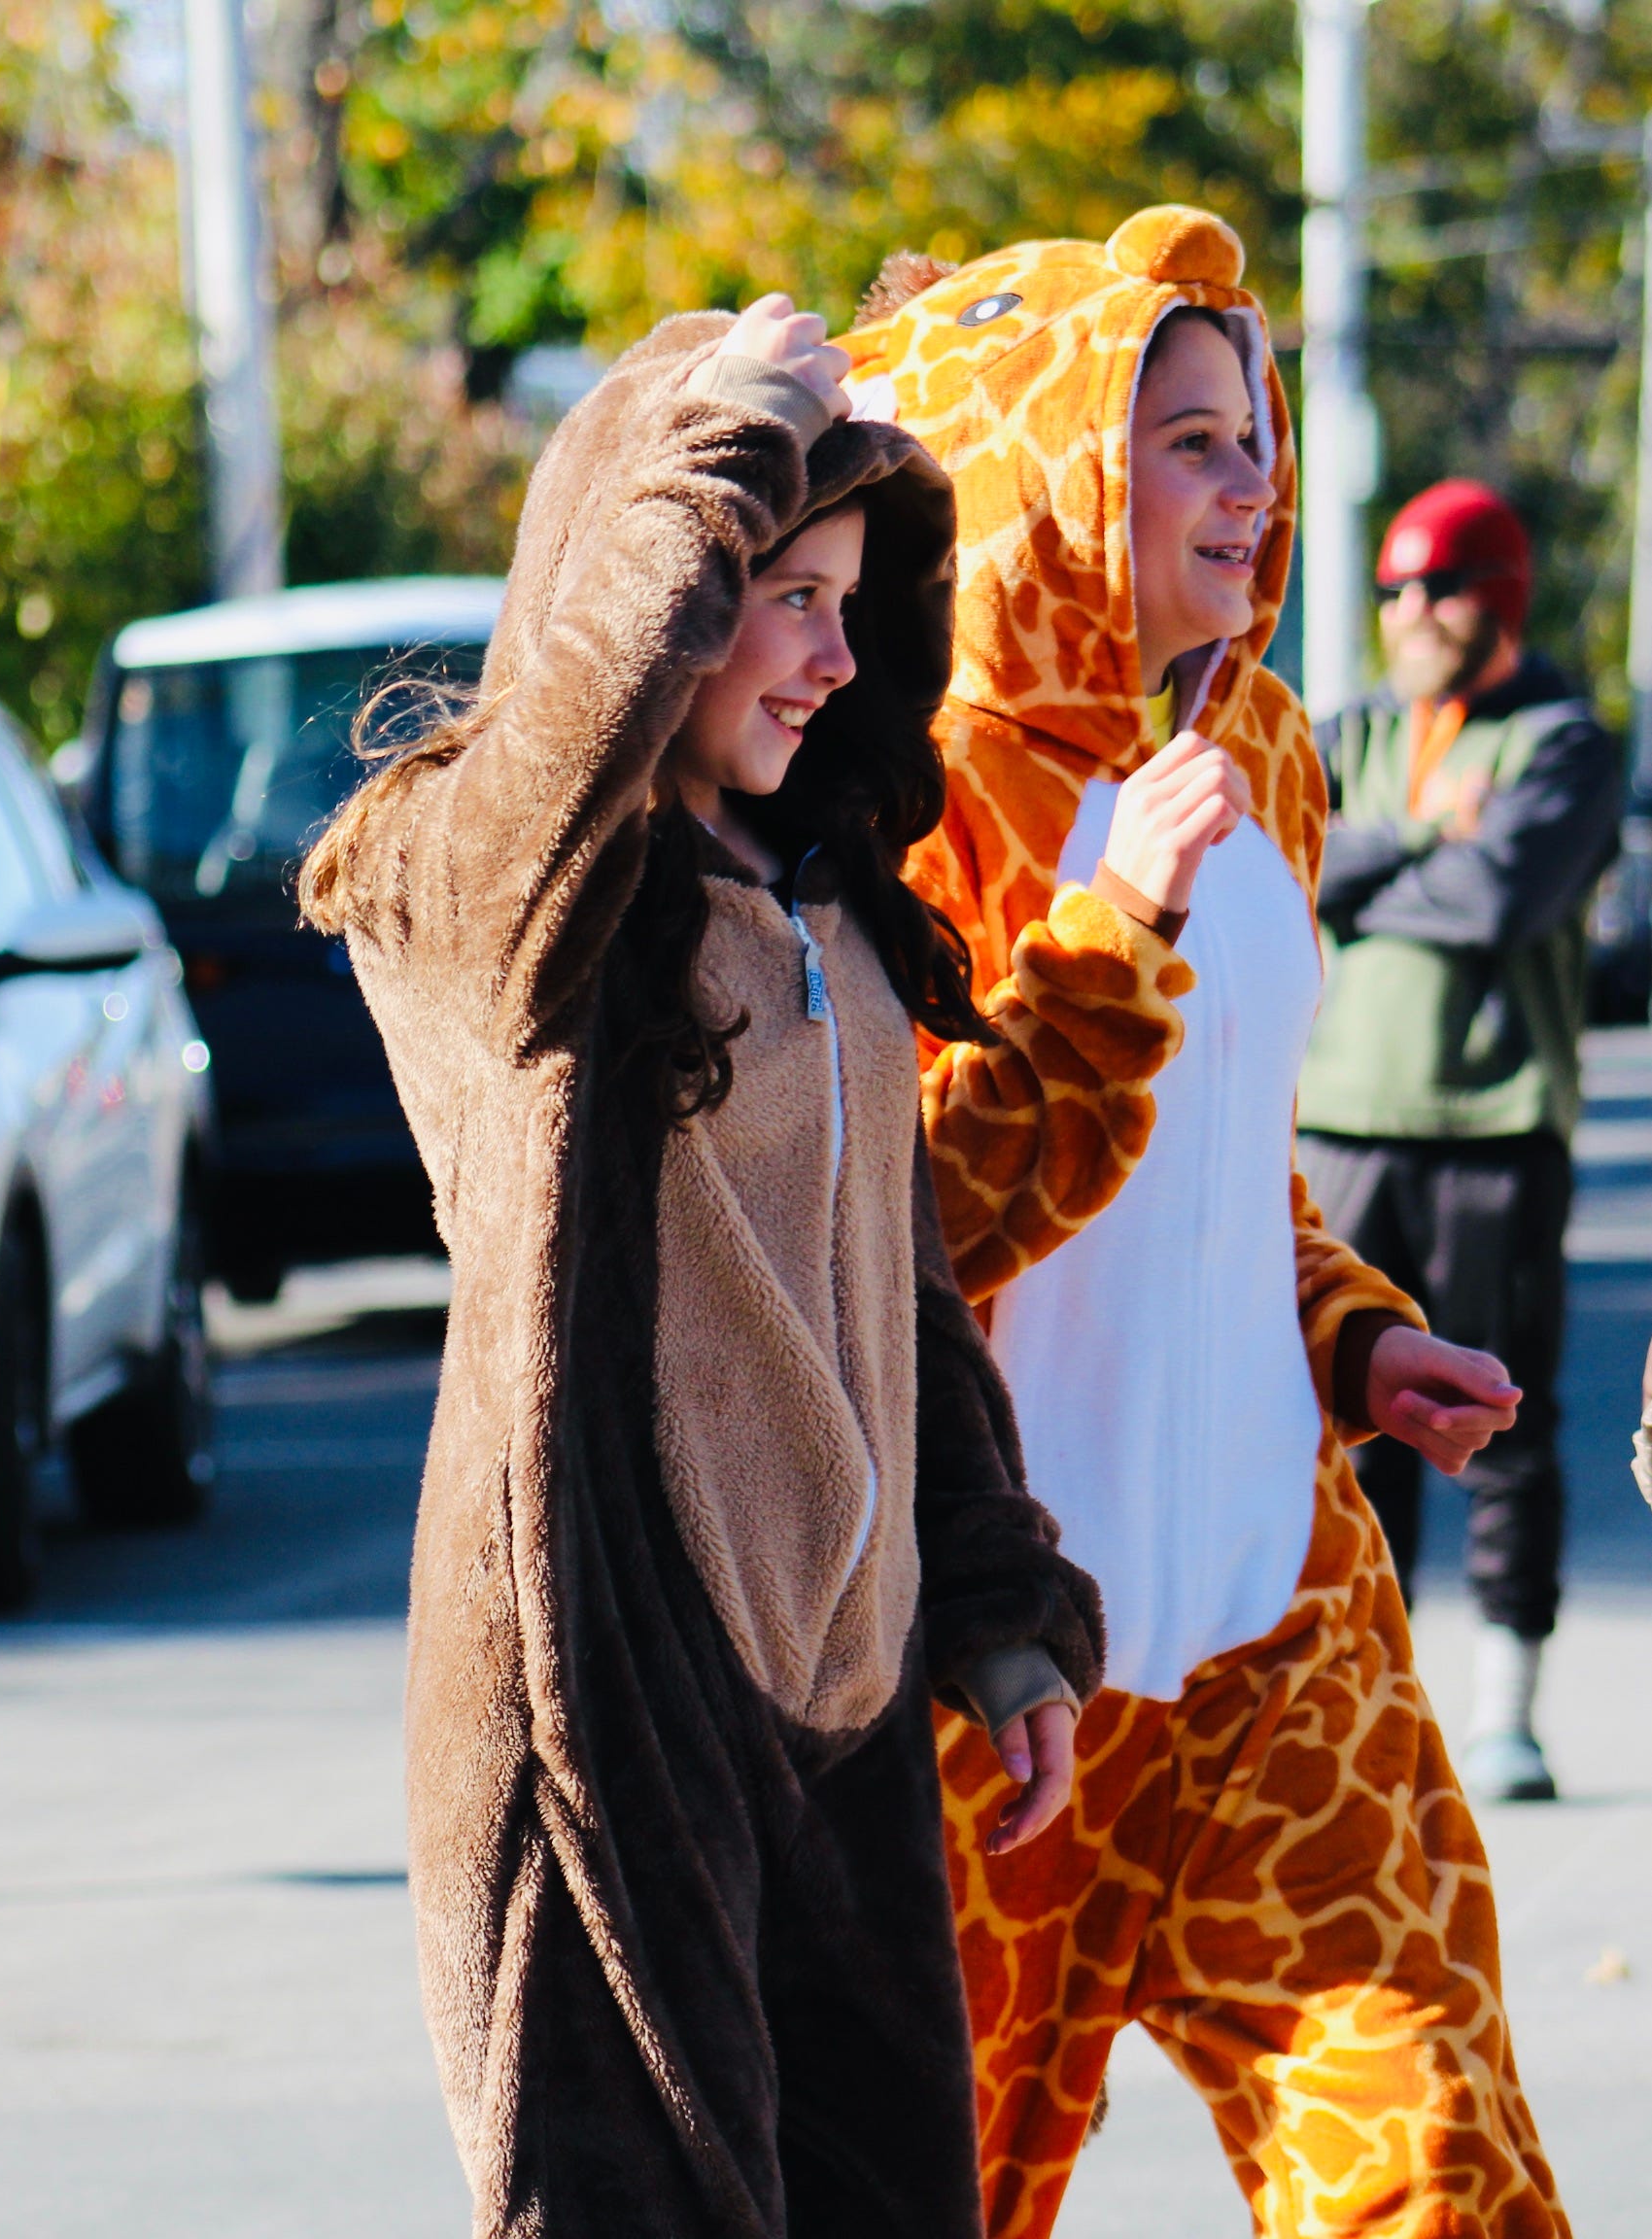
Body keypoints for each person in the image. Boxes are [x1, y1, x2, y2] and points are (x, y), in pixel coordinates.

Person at [297, 295, 1107, 2236]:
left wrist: (996, 1608)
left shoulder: (820, 911)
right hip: (600, 1723)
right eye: (783, 594)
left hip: (834, 1730)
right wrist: (712, 457)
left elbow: (904, 1309)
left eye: (848, 598)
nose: (835, 657)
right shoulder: (470, 879)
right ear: (650, 581)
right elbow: (550, 794)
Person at [843, 206, 1566, 2236]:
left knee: (1431, 2174)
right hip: (993, 1694)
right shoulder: (904, 793)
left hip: (1279, 1631)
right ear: (1052, 464)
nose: (1249, 487)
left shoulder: (1264, 745)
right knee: (910, 2203)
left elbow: (1223, 1176)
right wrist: (1113, 925)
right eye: (1185, 441)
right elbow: (909, 1230)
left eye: (1253, 433)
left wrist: (1347, 1333)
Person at [1296, 478, 1623, 1804]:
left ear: (1497, 595)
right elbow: (1292, 860)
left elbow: (1499, 899)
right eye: (1391, 589)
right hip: (1339, 1128)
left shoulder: (1562, 742)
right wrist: (1424, 834)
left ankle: (1506, 1713)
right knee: (1343, 1432)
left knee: (1498, 1418)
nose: (1408, 613)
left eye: (1435, 587)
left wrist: (1375, 872)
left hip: (1494, 1130)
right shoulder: (1352, 732)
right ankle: (1372, 1704)